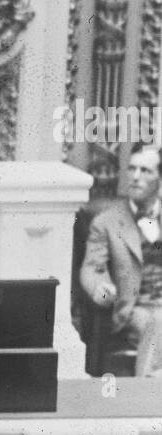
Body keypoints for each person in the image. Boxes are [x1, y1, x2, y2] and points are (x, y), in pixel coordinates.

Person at [80, 144, 162, 375]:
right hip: (136, 308)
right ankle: (149, 393)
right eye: (132, 169)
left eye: (145, 171)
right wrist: (102, 290)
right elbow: (92, 268)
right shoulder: (107, 221)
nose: (136, 177)